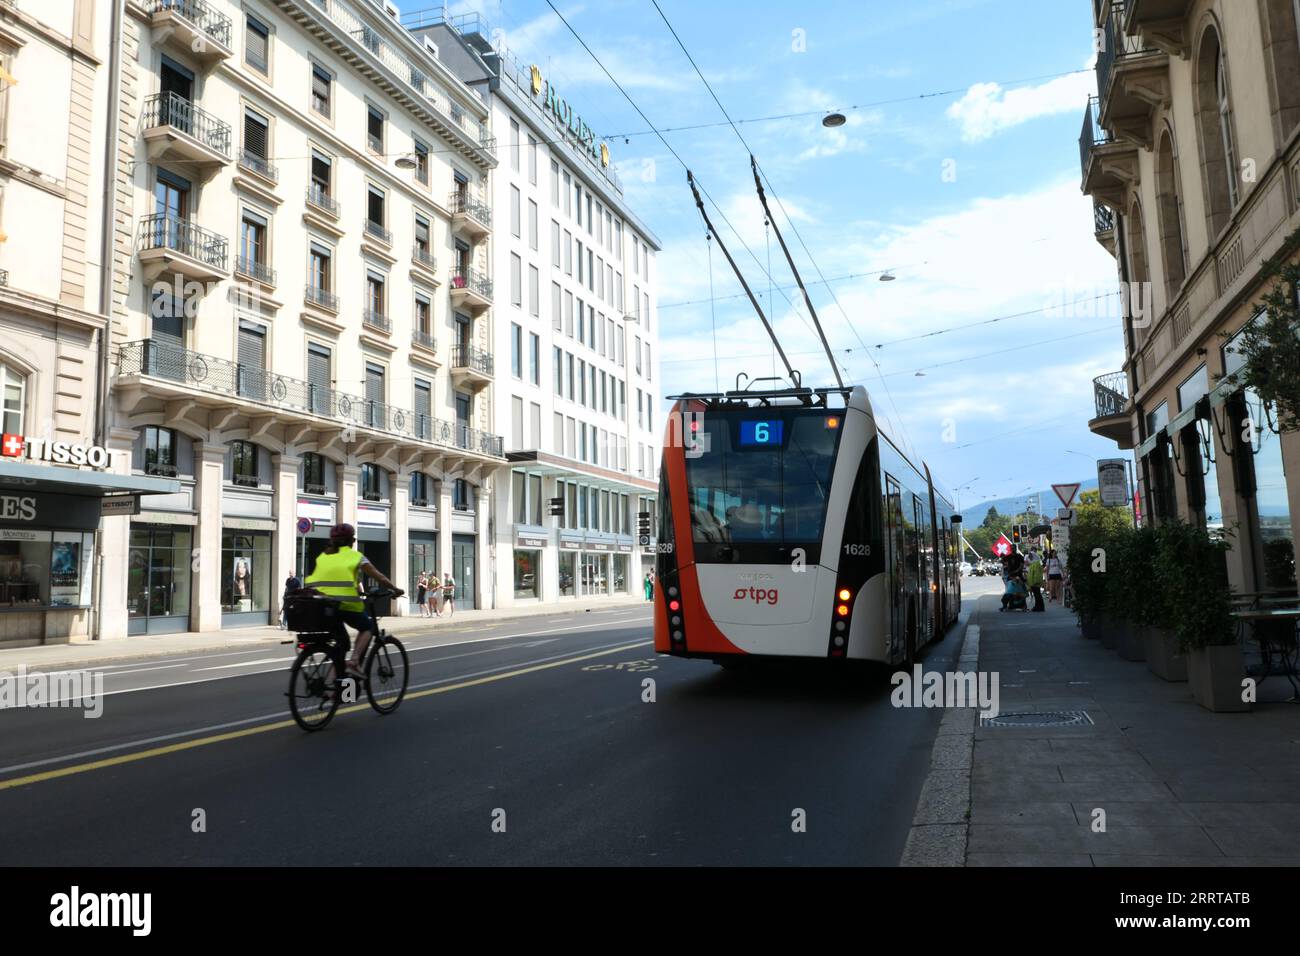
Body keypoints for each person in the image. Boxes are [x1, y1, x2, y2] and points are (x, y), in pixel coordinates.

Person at [304, 523, 404, 678]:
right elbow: (379, 577)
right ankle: (354, 662)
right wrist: (395, 589)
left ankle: (332, 691)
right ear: (351, 540)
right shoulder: (355, 556)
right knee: (368, 627)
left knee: (341, 645)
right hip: (344, 605)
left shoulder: (323, 556)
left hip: (320, 606)